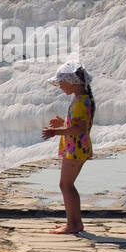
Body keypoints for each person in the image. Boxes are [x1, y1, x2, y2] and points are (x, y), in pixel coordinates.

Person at [40, 60, 95, 235]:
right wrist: (63, 123)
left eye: (62, 83)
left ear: (72, 82)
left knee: (66, 185)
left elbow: (78, 129)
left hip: (76, 148)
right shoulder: (82, 99)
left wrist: (56, 131)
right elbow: (78, 124)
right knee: (67, 185)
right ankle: (73, 222)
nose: (60, 86)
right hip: (78, 147)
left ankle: (73, 224)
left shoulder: (80, 102)